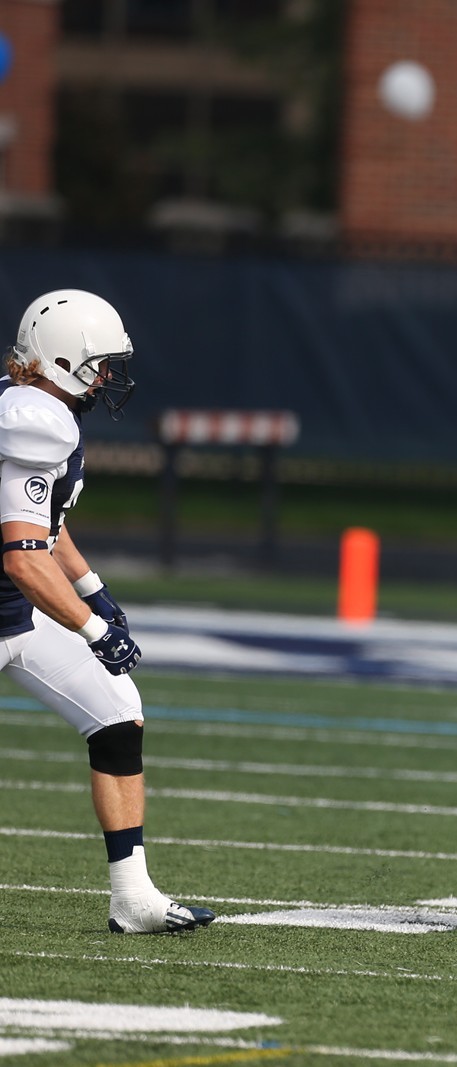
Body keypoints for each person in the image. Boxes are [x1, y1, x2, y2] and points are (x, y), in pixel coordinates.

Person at [1, 288, 214, 934]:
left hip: (11, 616)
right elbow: (21, 556)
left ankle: (133, 895)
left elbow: (44, 525)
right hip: (13, 599)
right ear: (64, 360)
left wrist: (91, 586)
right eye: (98, 363)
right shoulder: (35, 416)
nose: (107, 377)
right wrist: (91, 627)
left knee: (117, 711)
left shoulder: (40, 409)